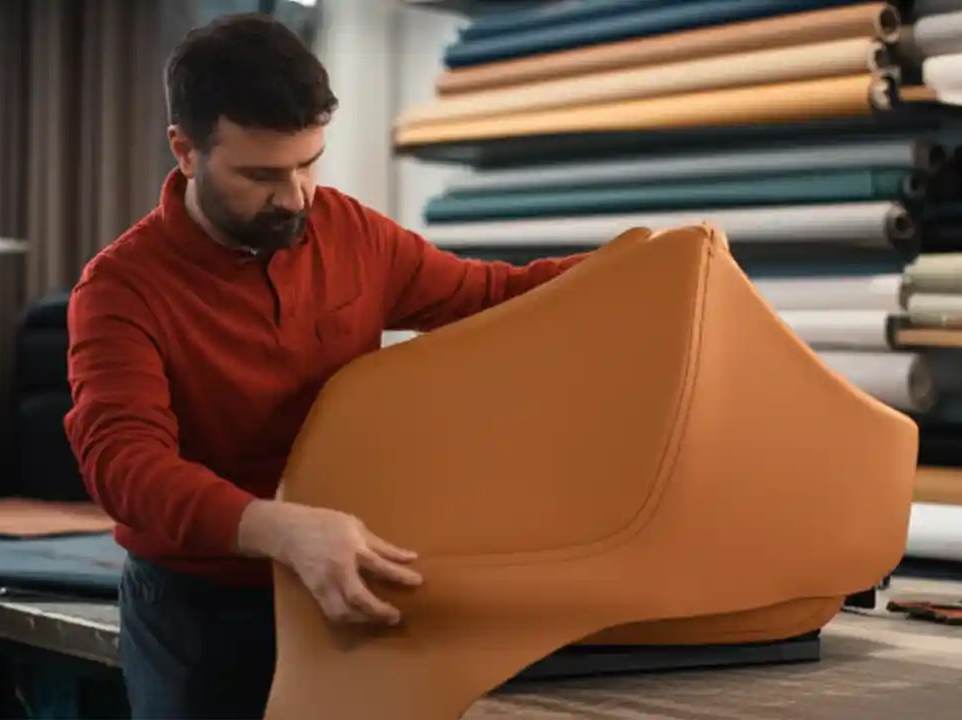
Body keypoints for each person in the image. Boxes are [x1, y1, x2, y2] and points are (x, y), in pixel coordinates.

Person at [63, 12, 590, 720]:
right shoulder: (119, 289)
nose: (295, 196)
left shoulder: (351, 232)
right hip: (198, 611)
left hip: (338, 583)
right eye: (261, 175)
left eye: (309, 163)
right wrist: (280, 528)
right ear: (185, 151)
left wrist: (644, 263)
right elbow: (124, 464)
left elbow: (490, 295)